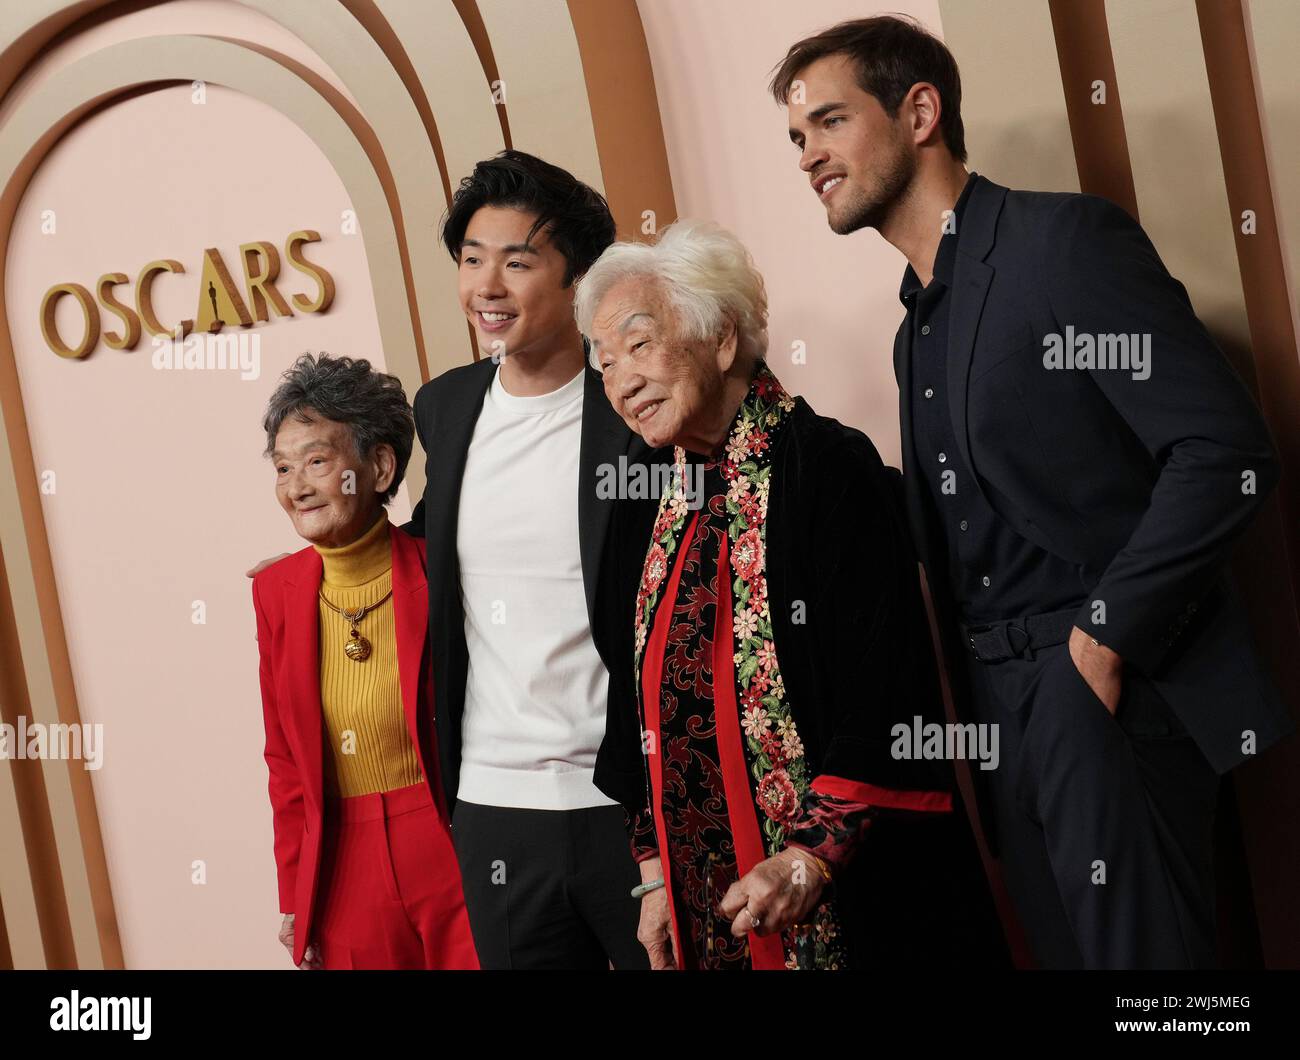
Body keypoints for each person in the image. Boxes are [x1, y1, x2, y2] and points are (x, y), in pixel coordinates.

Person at [771, 14, 1293, 968]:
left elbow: (1222, 450)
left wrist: (1102, 639)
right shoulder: (912, 328)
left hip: (1099, 680)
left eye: (830, 122)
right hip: (996, 713)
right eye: (798, 138)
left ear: (919, 110)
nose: (809, 155)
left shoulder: (1065, 242)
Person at [578, 219, 1010, 970]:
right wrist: (653, 877)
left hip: (845, 887)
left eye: (639, 346)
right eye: (606, 363)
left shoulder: (828, 467)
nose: (620, 383)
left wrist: (811, 855)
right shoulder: (642, 500)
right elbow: (631, 698)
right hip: (703, 898)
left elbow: (885, 683)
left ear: (720, 337)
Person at [401, 151, 659, 968]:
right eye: (472, 260)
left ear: (576, 277)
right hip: (494, 802)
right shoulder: (446, 407)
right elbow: (428, 543)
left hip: (627, 794)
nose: (488, 286)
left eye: (519, 262)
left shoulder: (631, 404)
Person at [252, 353, 477, 969]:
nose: (296, 486)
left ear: (378, 467)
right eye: (283, 468)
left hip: (452, 841)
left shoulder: (444, 571)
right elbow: (286, 762)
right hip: (344, 864)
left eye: (317, 462)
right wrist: (295, 893)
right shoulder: (276, 593)